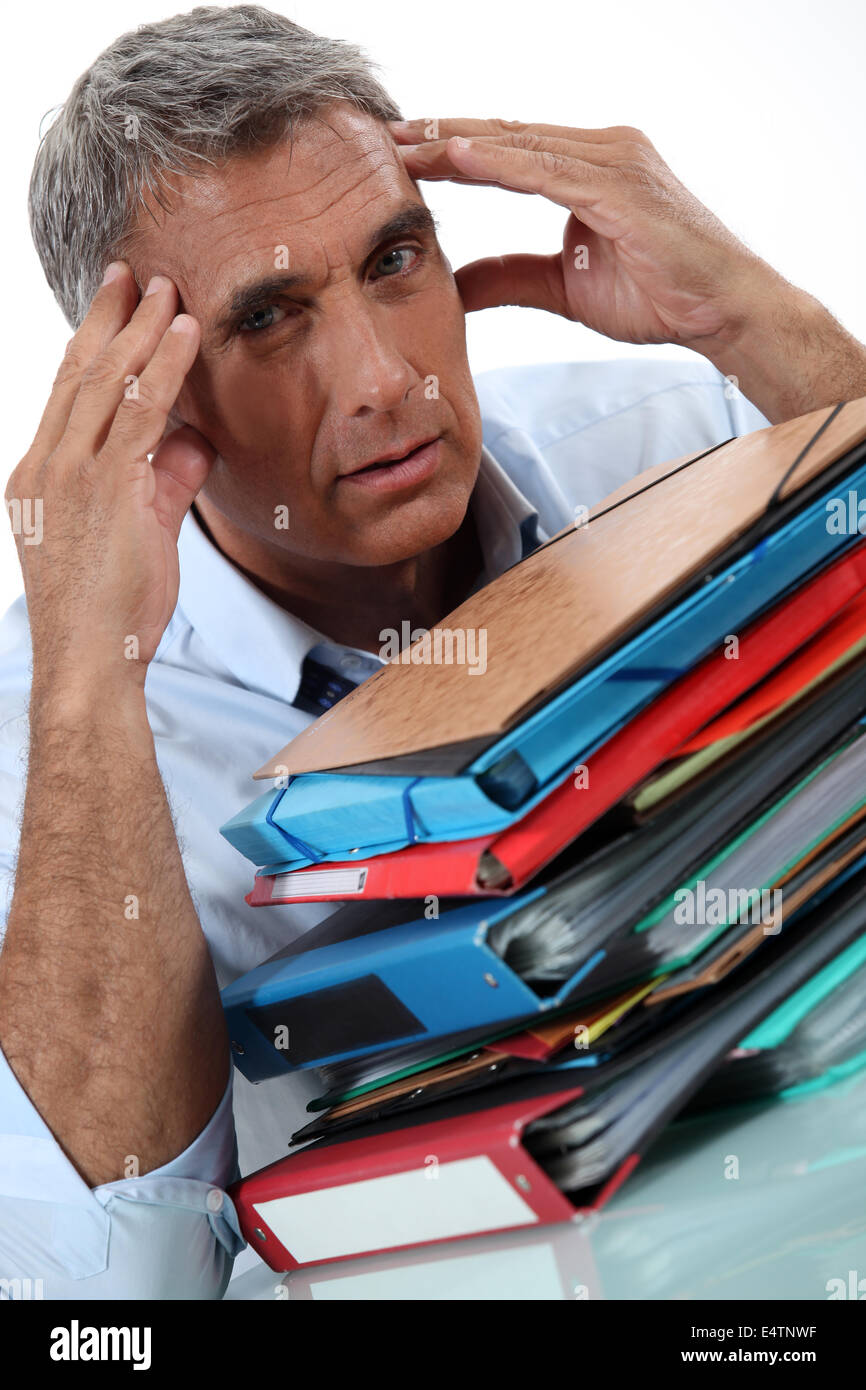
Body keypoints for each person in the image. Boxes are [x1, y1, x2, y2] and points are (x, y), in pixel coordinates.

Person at [1, 5, 864, 1299]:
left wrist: (763, 322)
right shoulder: (51, 761)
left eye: (395, 257)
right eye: (270, 316)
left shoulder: (685, 443)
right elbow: (112, 1299)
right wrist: (85, 676)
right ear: (141, 391)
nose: (383, 377)